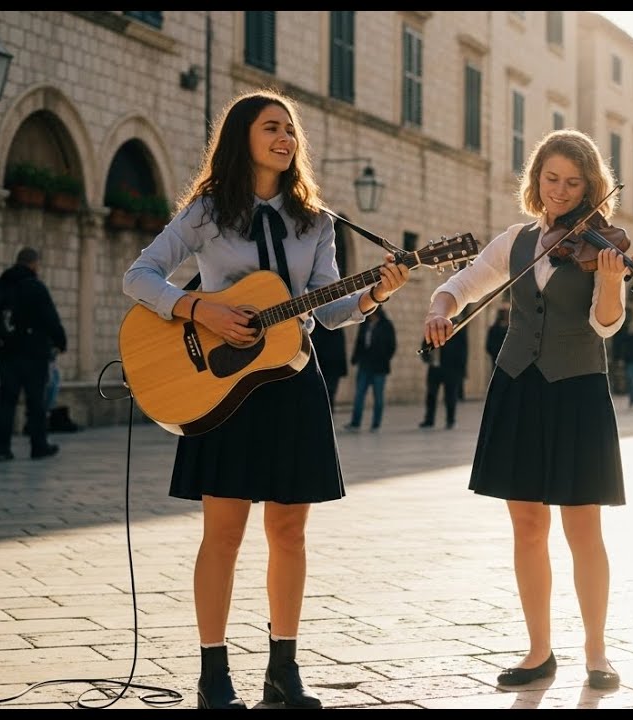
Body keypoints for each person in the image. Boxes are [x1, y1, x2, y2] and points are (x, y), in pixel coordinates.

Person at [122, 89, 410, 710]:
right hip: (220, 387)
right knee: (222, 534)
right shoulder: (206, 212)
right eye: (271, 128)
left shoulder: (318, 221)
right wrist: (202, 306)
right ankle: (213, 677)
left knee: (290, 533)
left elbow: (328, 309)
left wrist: (374, 295)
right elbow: (139, 275)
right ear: (242, 138)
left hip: (293, 384)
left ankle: (284, 673)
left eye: (290, 130)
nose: (285, 138)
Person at [422, 128, 630, 691]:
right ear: (536, 179)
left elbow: (606, 325)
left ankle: (597, 652)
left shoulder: (601, 247)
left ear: (591, 186)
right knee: (527, 525)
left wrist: (610, 285)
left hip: (577, 389)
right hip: (518, 385)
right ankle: (539, 649)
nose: (560, 190)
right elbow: (460, 285)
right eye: (551, 178)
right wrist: (440, 309)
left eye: (573, 182)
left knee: (583, 527)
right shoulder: (514, 240)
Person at [0, 247, 67, 462]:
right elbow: (50, 317)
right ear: (33, 264)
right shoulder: (35, 287)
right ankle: (38, 446)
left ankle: (1, 449)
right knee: (36, 402)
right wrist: (60, 342)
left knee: (6, 401)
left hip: (6, 354)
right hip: (34, 353)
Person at [345, 306, 397, 432]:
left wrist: (384, 358)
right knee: (359, 396)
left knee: (378, 397)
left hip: (379, 368)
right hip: (365, 365)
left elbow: (392, 345)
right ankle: (355, 423)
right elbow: (359, 342)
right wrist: (355, 358)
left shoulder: (386, 325)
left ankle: (376, 424)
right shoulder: (365, 324)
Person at [420, 311, 468, 429]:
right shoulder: (434, 327)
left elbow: (463, 352)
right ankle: (429, 420)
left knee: (450, 396)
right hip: (435, 367)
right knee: (431, 395)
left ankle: (450, 420)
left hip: (451, 369)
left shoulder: (458, 332)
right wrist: (426, 357)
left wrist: (461, 370)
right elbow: (425, 344)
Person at [310, 324, 348, 409]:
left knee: (326, 396)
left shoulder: (318, 329)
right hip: (328, 368)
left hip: (327, 369)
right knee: (327, 396)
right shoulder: (336, 328)